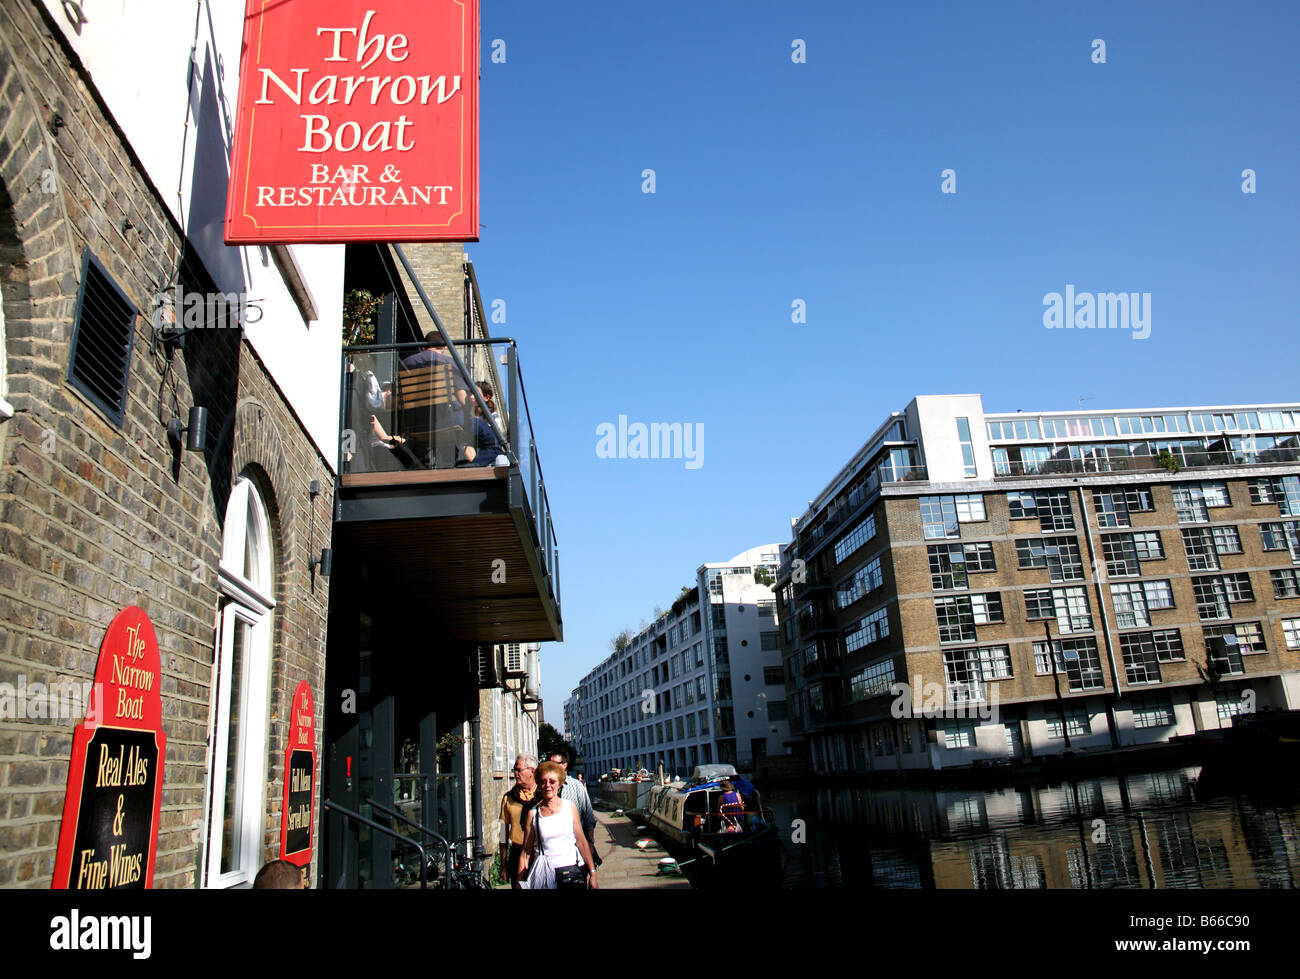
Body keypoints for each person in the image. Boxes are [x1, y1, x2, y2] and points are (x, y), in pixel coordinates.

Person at [518, 761, 597, 889]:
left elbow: (581, 842)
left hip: (571, 872)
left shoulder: (570, 807)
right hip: (545, 876)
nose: (547, 785)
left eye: (552, 782)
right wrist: (519, 882)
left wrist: (593, 873)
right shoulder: (533, 814)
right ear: (538, 784)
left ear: (559, 784)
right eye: (543, 782)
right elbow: (526, 853)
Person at [547, 749, 599, 865]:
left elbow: (589, 817)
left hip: (576, 847)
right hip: (552, 851)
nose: (550, 767)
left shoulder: (576, 787)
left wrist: (590, 842)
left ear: (564, 765)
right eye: (549, 763)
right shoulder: (545, 788)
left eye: (554, 764)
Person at [499, 753, 538, 888]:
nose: (515, 773)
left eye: (519, 770)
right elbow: (503, 833)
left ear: (531, 771)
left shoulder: (543, 796)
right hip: (517, 854)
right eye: (514, 770)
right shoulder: (509, 798)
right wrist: (504, 864)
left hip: (539, 854)